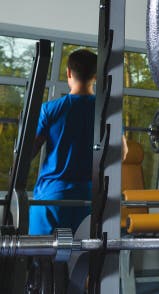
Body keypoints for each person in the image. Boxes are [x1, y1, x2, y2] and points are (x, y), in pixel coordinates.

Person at [29, 49, 96, 235]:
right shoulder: (106, 113)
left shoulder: (50, 109)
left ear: (68, 72)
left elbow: (29, 152)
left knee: (40, 257)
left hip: (52, 197)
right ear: (95, 76)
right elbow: (121, 153)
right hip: (88, 198)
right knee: (80, 259)